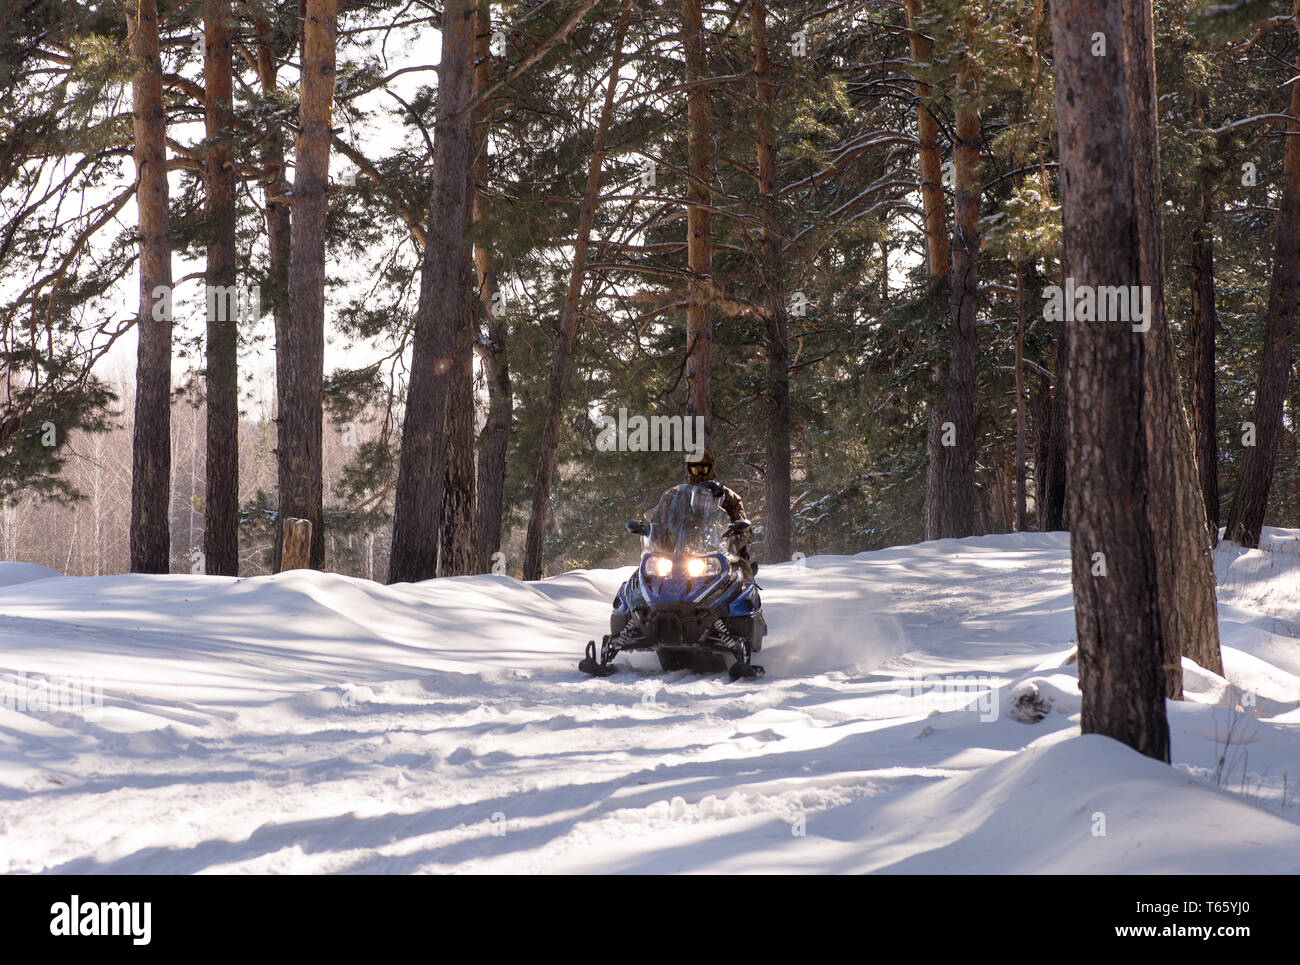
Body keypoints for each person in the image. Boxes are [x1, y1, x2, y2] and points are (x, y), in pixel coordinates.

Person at [683, 449, 756, 579]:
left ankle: (747, 586)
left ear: (710, 470)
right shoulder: (680, 495)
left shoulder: (727, 497)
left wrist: (735, 540)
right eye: (695, 470)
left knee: (742, 576)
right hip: (681, 554)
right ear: (689, 470)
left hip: (718, 555)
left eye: (703, 470)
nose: (699, 475)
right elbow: (662, 519)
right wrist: (650, 529)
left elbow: (745, 527)